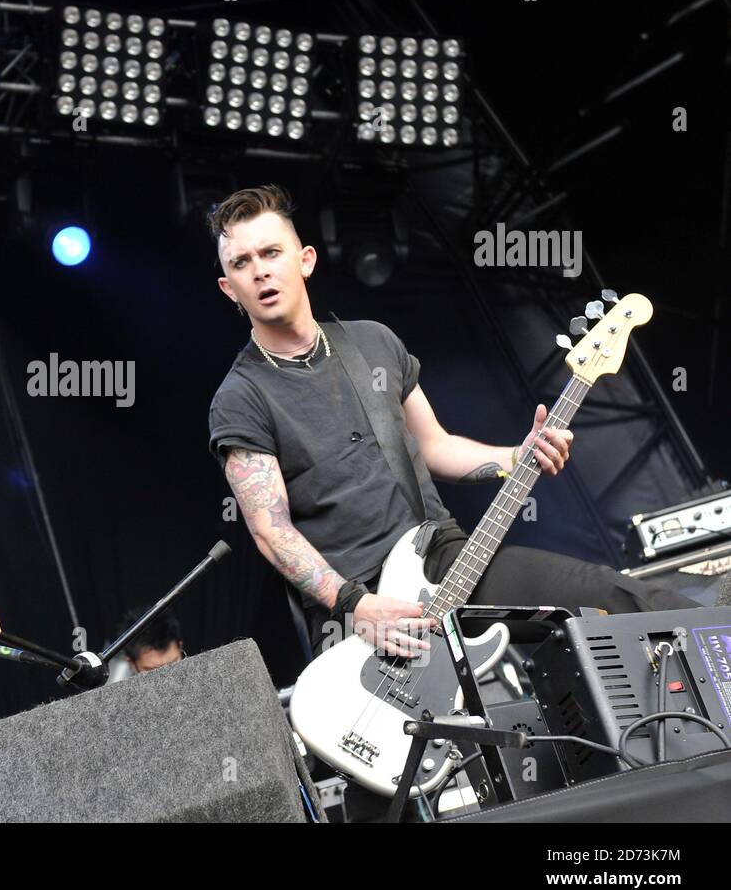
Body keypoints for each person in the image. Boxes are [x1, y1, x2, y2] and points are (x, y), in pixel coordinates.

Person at [205, 184, 698, 660]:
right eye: (242, 263)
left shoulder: (373, 343)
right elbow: (271, 529)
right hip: (355, 609)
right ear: (228, 288)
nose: (260, 273)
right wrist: (354, 603)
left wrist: (513, 457)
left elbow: (436, 447)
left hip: (444, 558)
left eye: (271, 253)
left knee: (606, 593)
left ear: (305, 259)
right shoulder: (241, 397)